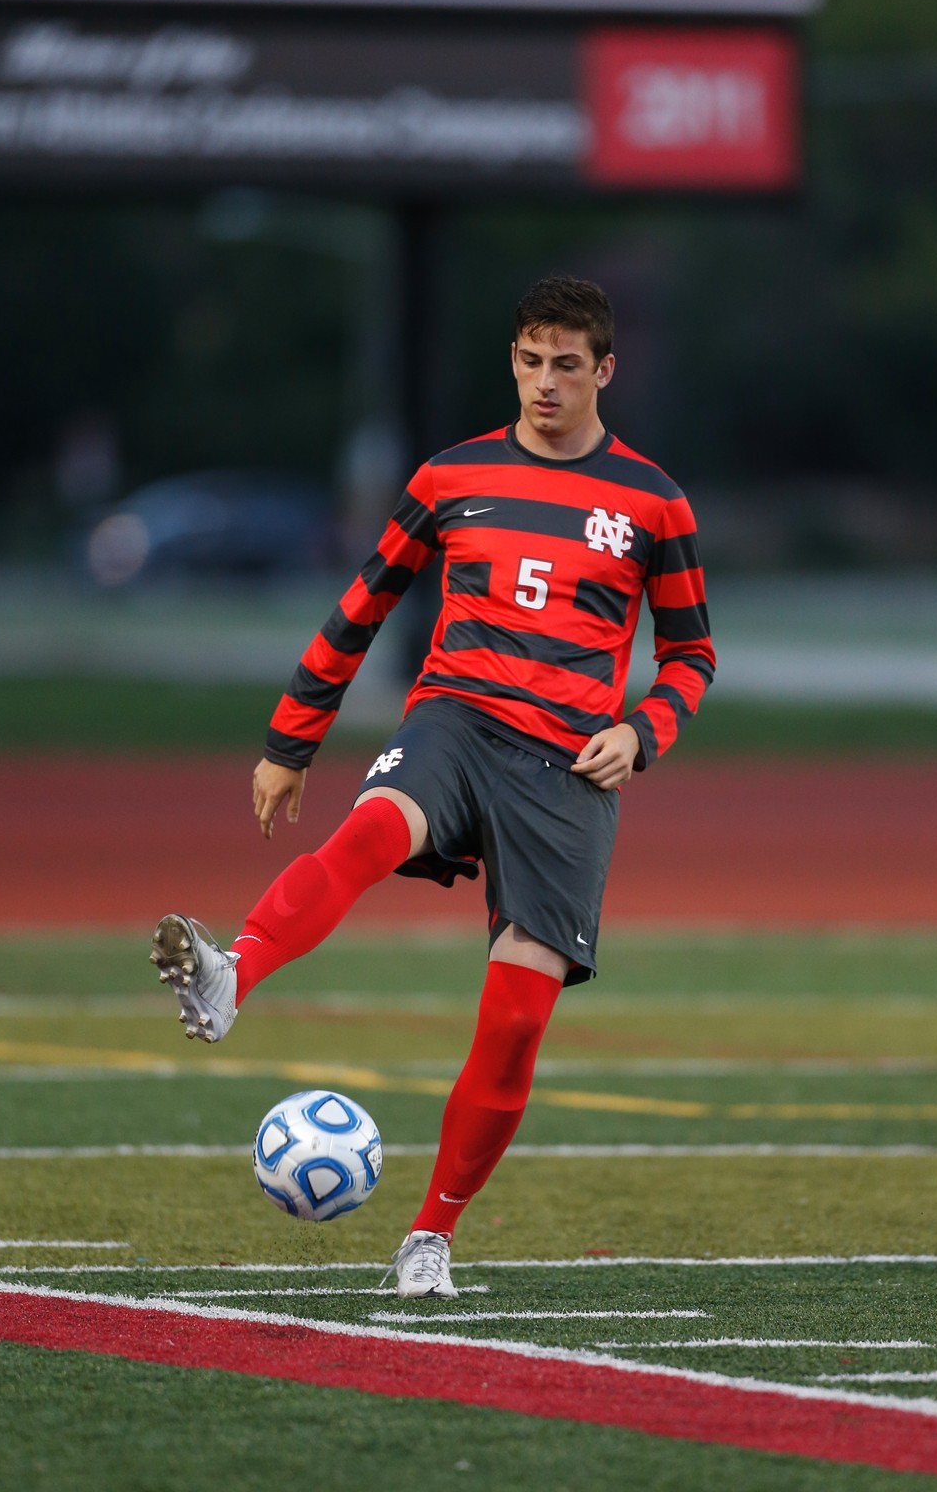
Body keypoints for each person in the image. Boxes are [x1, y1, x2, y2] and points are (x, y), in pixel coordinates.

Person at [151, 274, 715, 1298]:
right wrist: (291, 736)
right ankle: (231, 972)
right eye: (529, 361)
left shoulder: (652, 501)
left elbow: (689, 655)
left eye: (566, 366)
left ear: (604, 372)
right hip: (453, 717)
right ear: (512, 359)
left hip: (568, 767)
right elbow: (361, 603)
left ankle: (429, 1236)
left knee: (512, 1022)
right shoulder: (450, 476)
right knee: (370, 832)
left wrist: (641, 730)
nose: (544, 383)